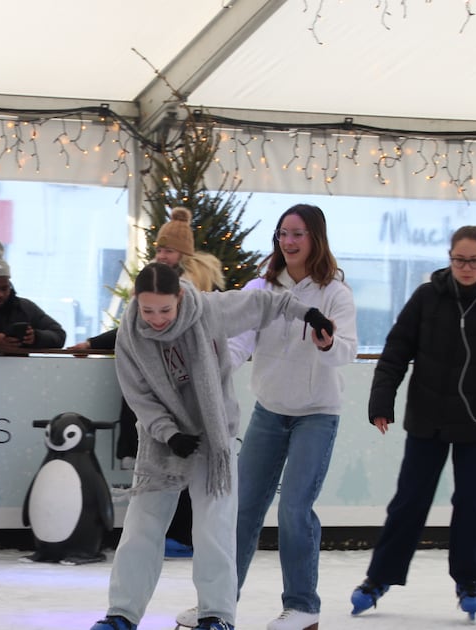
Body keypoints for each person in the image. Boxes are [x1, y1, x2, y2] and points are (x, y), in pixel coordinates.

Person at [89, 262, 335, 630]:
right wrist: (169, 433)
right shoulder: (131, 333)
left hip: (213, 438)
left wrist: (309, 314)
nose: (157, 319)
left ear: (180, 297)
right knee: (141, 527)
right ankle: (121, 614)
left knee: (214, 530)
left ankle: (217, 615)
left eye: (165, 309)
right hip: (160, 443)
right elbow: (137, 393)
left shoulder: (208, 310)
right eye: (148, 310)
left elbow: (266, 303)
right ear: (137, 301)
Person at [349, 225, 476, 621]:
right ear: (449, 259)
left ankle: (469, 582)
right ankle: (379, 578)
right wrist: (381, 402)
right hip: (427, 421)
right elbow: (395, 351)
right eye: (460, 260)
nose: (467, 267)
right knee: (409, 501)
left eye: (474, 260)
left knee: (471, 504)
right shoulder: (427, 298)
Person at [178, 204, 354, 630]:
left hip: (317, 415)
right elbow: (239, 343)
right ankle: (219, 602)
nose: (288, 242)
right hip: (269, 412)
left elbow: (346, 351)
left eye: (297, 234)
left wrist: (328, 344)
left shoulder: (335, 293)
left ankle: (303, 606)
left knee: (294, 508)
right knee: (241, 509)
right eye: (282, 234)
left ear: (315, 238)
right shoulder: (261, 288)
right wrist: (211, 372)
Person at [69, 207, 225, 554]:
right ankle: (172, 533)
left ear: (183, 253)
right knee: (169, 460)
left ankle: (185, 535)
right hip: (162, 387)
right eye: (159, 250)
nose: (161, 255)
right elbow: (132, 329)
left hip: (187, 390)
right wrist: (93, 343)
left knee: (188, 461)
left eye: (168, 250)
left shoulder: (192, 291)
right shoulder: (154, 288)